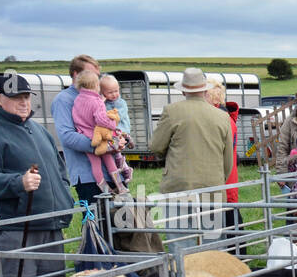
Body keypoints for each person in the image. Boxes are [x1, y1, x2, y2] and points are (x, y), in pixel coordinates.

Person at [0, 74, 74, 277]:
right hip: (17, 230)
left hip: (50, 226)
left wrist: (65, 196)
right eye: (16, 98)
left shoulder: (39, 130)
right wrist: (18, 183)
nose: (23, 103)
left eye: (26, 97)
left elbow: (60, 170)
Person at [150, 67, 235, 252]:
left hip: (179, 187)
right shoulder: (222, 116)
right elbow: (228, 160)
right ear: (205, 90)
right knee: (212, 244)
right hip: (212, 186)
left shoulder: (172, 111)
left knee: (181, 243)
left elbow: (156, 147)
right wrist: (217, 179)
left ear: (183, 90)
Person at [50, 54, 104, 203]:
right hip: (87, 176)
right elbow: (67, 136)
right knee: (96, 223)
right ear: (75, 74)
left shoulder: (97, 97)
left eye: (97, 76)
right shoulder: (63, 100)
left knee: (119, 222)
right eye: (90, 74)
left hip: (110, 171)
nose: (95, 80)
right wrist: (101, 146)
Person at [69, 69, 129, 193]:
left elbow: (75, 118)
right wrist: (113, 124)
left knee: (95, 165)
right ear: (97, 85)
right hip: (100, 137)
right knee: (110, 163)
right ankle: (120, 187)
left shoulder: (77, 100)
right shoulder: (97, 101)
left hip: (86, 137)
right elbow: (102, 120)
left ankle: (105, 189)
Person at [204, 77, 242, 241]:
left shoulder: (219, 120)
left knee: (225, 225)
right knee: (231, 221)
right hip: (226, 181)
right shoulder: (225, 118)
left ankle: (236, 260)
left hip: (220, 182)